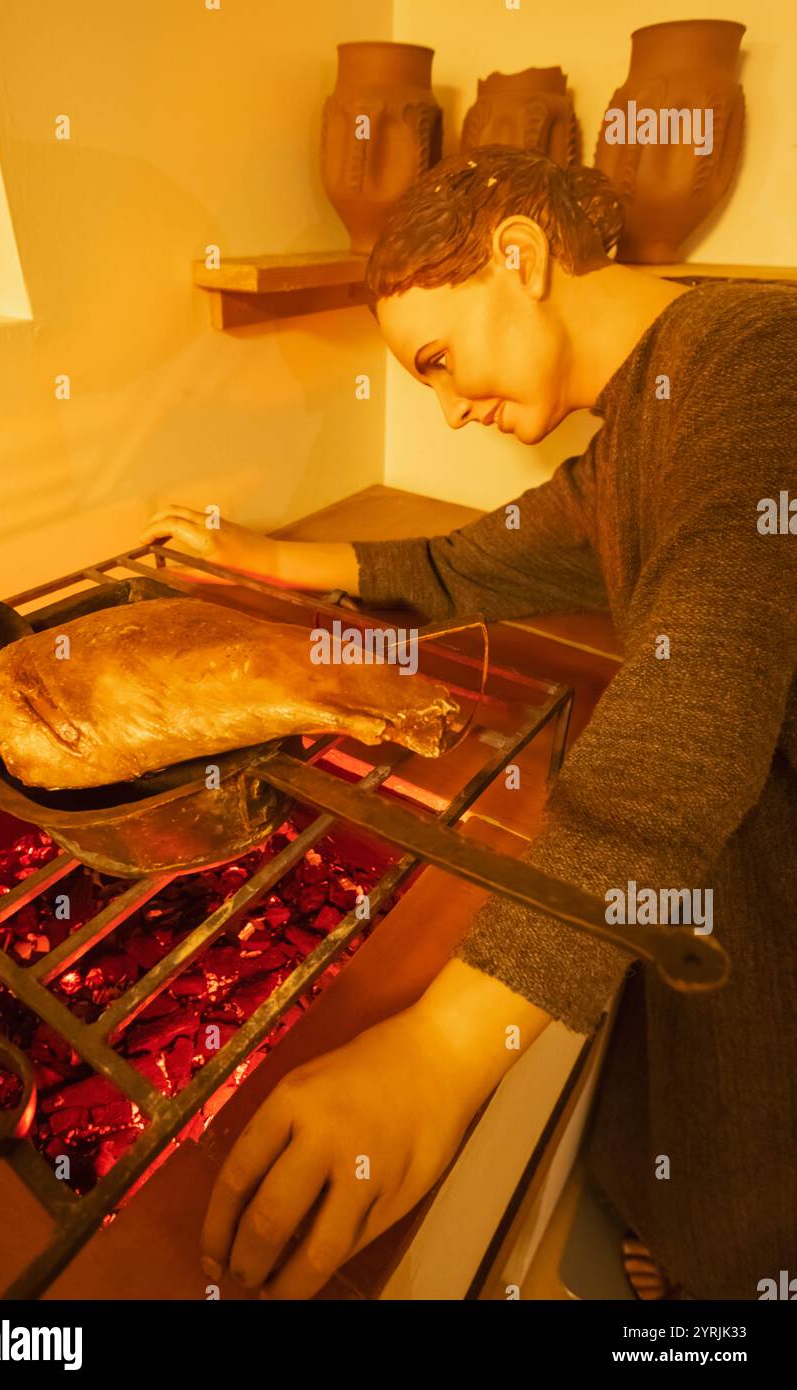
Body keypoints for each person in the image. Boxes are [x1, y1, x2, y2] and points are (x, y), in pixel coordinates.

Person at [142, 146, 797, 1302]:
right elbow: (457, 567)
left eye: (438, 360)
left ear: (518, 254)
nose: (445, 411)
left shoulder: (756, 360)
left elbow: (699, 682)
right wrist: (264, 557)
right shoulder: (643, 422)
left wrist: (447, 1045)